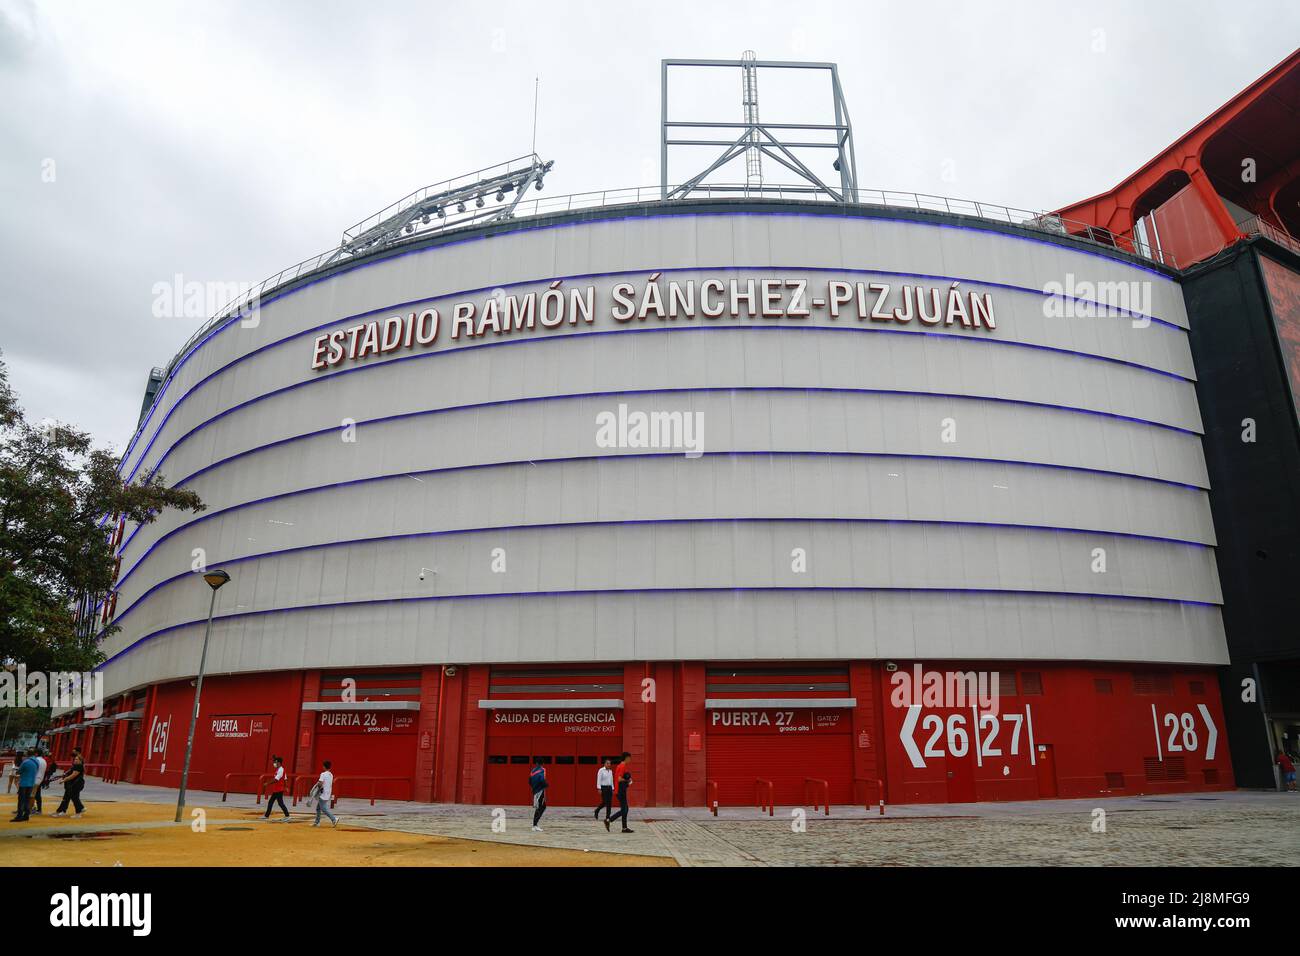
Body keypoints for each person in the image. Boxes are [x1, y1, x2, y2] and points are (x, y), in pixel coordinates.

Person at [51, 748, 86, 818]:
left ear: (80, 760)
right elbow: (71, 772)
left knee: (74, 798)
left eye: (77, 759)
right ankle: (62, 811)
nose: (75, 760)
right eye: (75, 759)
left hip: (75, 784)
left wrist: (64, 780)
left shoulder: (78, 766)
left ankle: (78, 812)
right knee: (68, 797)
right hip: (72, 784)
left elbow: (73, 775)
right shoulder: (77, 765)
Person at [9, 751, 37, 822]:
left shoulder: (26, 762)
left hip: (24, 783)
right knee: (27, 799)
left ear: (27, 755)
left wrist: (19, 772)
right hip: (31, 783)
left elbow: (19, 771)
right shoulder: (36, 761)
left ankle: (19, 816)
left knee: (21, 800)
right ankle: (26, 815)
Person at [608, 758, 633, 834]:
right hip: (620, 791)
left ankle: (624, 828)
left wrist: (628, 782)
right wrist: (628, 780)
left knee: (625, 809)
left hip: (621, 790)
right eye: (629, 758)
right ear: (627, 758)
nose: (630, 760)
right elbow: (619, 779)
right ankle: (609, 820)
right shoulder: (622, 766)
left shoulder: (621, 766)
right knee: (624, 809)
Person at [312, 760, 339, 827]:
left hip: (323, 794)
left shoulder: (323, 774)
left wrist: (317, 788)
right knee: (318, 808)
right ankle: (317, 822)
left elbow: (320, 783)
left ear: (324, 767)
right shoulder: (331, 775)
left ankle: (334, 819)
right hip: (328, 793)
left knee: (323, 809)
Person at [264, 755, 290, 820]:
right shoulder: (279, 769)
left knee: (280, 803)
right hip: (277, 789)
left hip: (279, 790)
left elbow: (276, 779)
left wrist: (267, 783)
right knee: (272, 802)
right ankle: (266, 816)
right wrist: (286, 787)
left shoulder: (280, 770)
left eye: (275, 762)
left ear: (279, 763)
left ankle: (287, 816)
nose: (274, 763)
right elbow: (285, 779)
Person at [594, 757, 614, 829]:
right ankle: (597, 810)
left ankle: (607, 818)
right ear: (604, 764)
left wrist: (613, 788)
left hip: (609, 788)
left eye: (610, 763)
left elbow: (611, 780)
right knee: (605, 802)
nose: (609, 765)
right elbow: (598, 779)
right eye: (607, 763)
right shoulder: (601, 770)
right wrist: (599, 788)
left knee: (609, 803)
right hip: (603, 788)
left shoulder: (610, 771)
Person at [529, 758, 548, 831]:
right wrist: (545, 785)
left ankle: (535, 825)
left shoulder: (532, 770)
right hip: (540, 790)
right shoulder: (543, 769)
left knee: (539, 807)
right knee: (542, 807)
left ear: (536, 763)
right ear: (542, 763)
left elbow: (529, 781)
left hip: (535, 790)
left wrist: (534, 787)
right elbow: (541, 779)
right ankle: (535, 825)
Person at [30, 750, 48, 815]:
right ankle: (39, 809)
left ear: (36, 754)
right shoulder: (44, 761)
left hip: (34, 779)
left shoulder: (36, 760)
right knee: (37, 795)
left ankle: (31, 808)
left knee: (31, 795)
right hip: (40, 779)